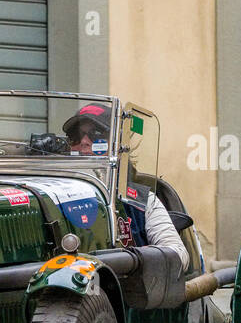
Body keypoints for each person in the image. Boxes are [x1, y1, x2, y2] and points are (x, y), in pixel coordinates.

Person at [63, 104, 189, 271]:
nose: (85, 142)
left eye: (97, 134)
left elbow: (178, 255)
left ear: (118, 144)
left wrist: (132, 258)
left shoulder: (143, 200)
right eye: (75, 136)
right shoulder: (52, 200)